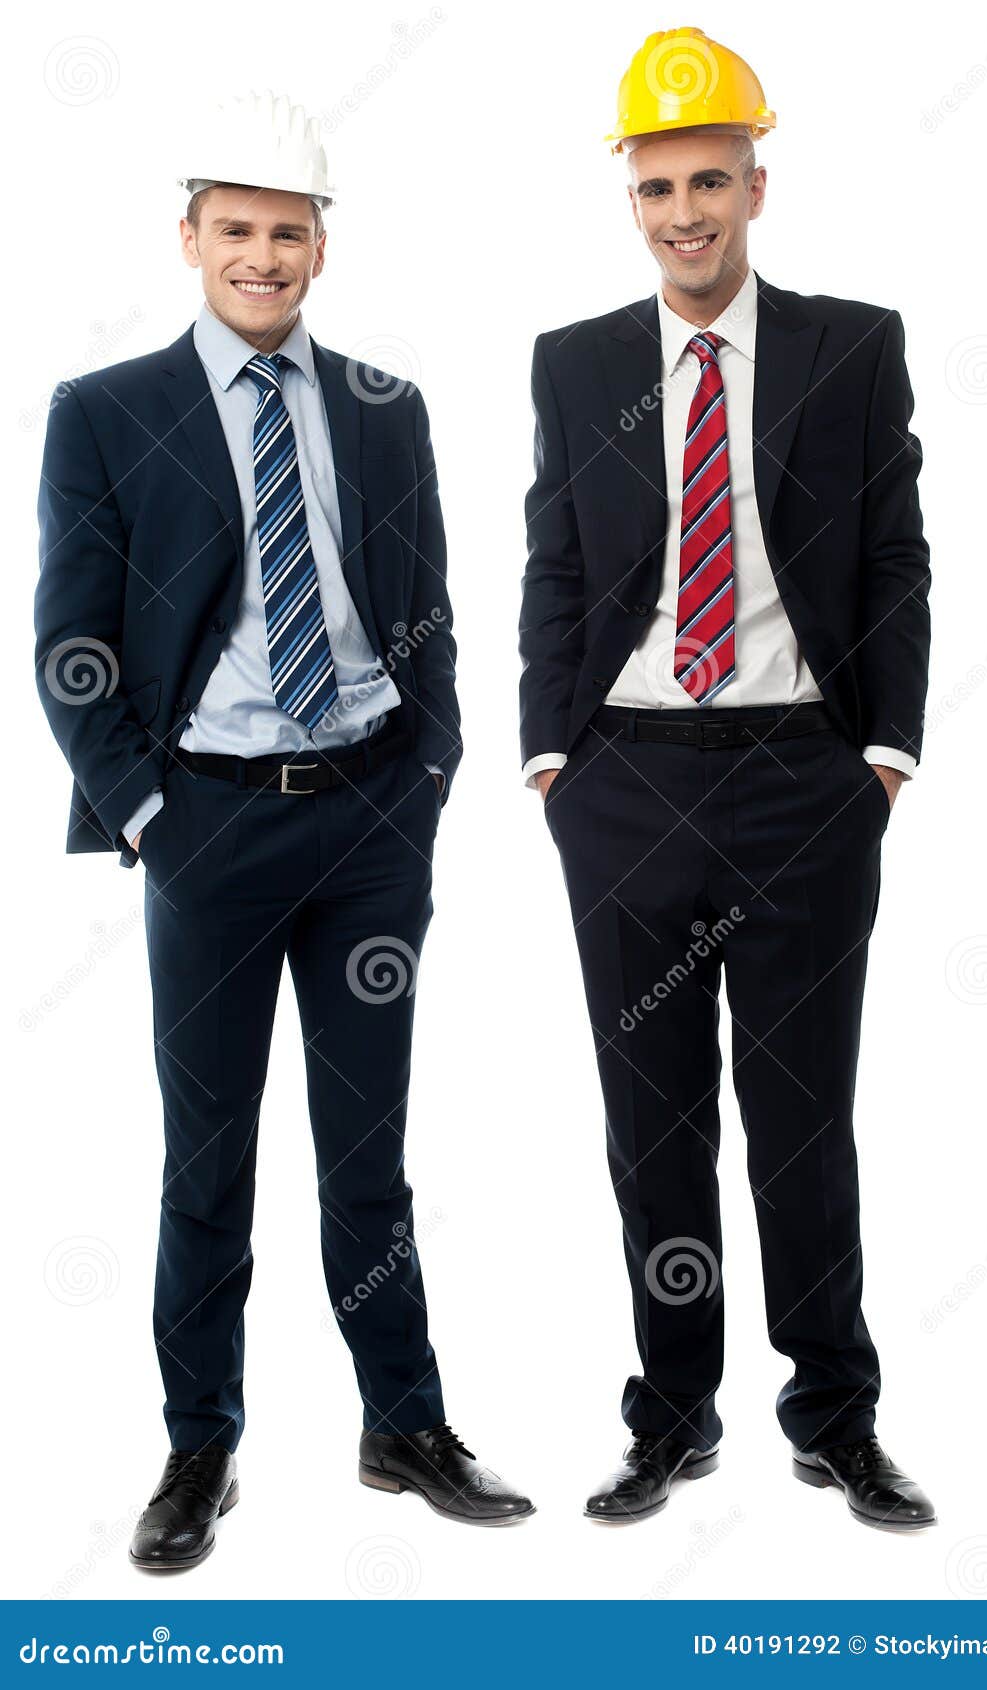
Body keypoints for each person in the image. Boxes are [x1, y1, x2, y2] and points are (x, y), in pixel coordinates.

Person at [36, 90, 532, 1570]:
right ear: (190, 237)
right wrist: (145, 811)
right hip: (210, 827)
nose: (263, 256)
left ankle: (403, 1417)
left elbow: (428, 606)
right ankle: (200, 1444)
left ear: (323, 244)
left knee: (366, 1147)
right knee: (210, 1155)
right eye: (237, 230)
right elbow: (70, 640)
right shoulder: (107, 410)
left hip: (369, 817)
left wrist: (427, 770)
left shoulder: (385, 405)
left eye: (288, 232)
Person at [518, 30, 935, 1530]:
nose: (683, 212)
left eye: (709, 179)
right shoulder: (574, 365)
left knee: (803, 1115)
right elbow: (554, 563)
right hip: (623, 781)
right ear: (627, 196)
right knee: (651, 1118)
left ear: (756, 179)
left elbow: (891, 552)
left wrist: (882, 751)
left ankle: (834, 1409)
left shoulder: (847, 344)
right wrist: (549, 752)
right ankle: (670, 1412)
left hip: (798, 780)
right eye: (656, 187)